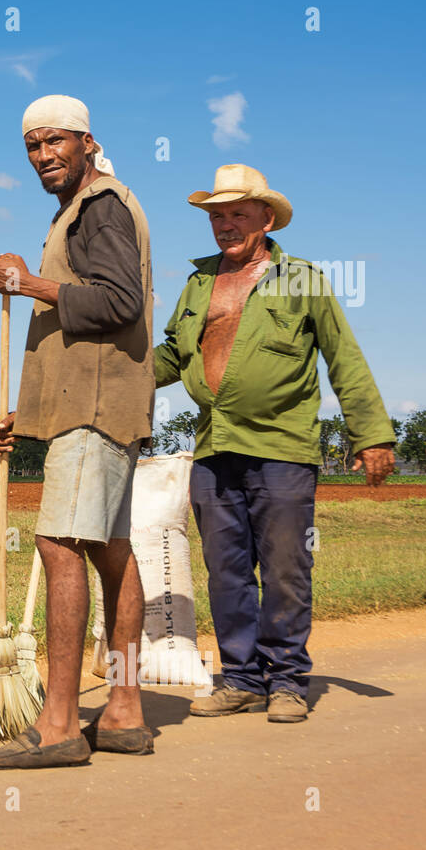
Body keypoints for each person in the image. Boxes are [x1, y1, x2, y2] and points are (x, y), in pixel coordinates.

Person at [154, 164, 395, 724]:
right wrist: (110, 378)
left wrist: (373, 434)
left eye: (238, 214)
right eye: (217, 216)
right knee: (226, 568)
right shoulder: (197, 284)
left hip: (283, 446)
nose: (226, 225)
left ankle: (286, 680)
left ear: (266, 218)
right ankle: (240, 679)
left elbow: (344, 356)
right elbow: (169, 356)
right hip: (214, 447)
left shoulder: (303, 277)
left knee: (286, 567)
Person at [0, 94, 155, 770]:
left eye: (55, 142)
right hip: (101, 401)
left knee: (58, 543)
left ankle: (58, 724)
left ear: (86, 142)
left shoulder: (99, 207)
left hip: (96, 407)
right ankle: (125, 708)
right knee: (111, 547)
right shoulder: (88, 209)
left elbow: (119, 302)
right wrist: (27, 416)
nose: (43, 155)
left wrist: (30, 284)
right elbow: (89, 340)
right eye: (32, 145)